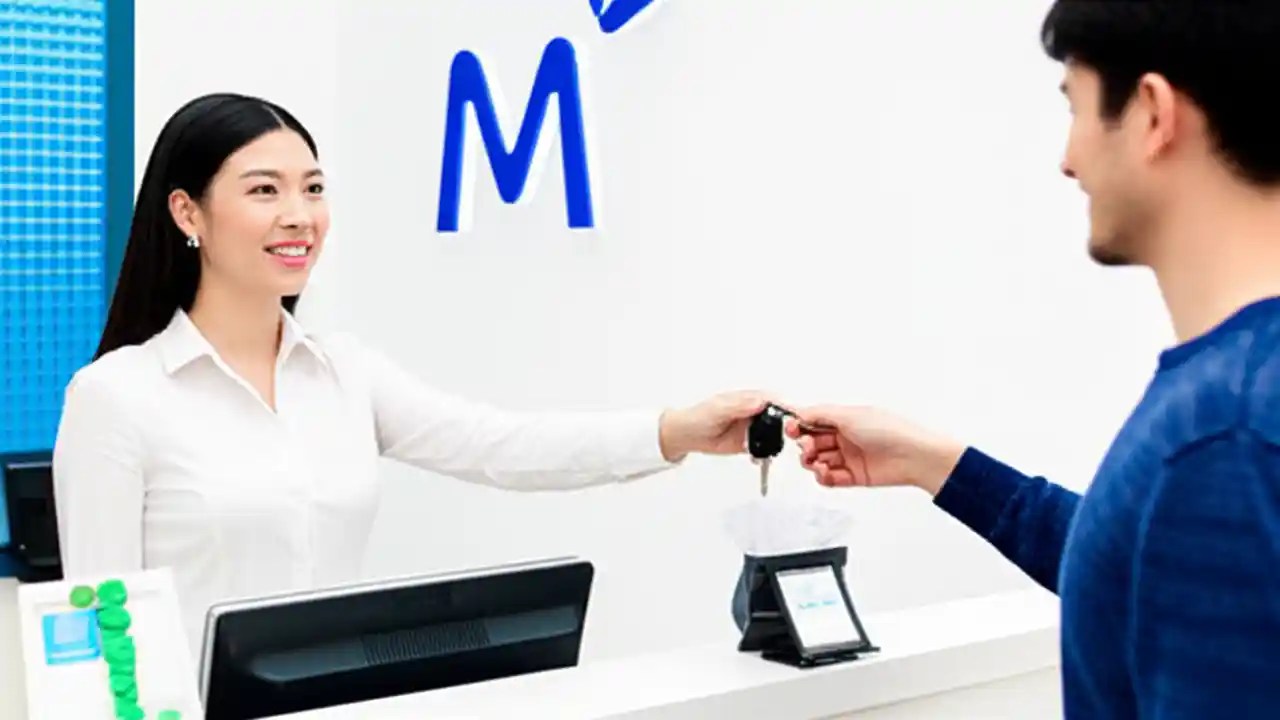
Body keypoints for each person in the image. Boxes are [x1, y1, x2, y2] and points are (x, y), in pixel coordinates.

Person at [51, 92, 771, 660]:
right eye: (264, 191)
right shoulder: (118, 398)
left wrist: (674, 431)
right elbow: (96, 639)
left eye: (313, 188)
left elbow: (500, 446)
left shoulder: (345, 374)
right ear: (188, 213)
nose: (300, 217)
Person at [786, 2, 1280, 718]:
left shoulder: (1220, 439)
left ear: (1151, 114)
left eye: (1075, 108)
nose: (1067, 159)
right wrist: (940, 466)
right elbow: (1138, 570)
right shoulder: (1234, 414)